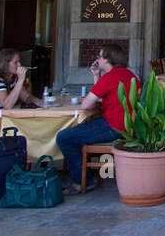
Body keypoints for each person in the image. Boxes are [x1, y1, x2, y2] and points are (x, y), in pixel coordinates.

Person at [55, 45, 140, 195]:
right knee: (78, 132)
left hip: (112, 127)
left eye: (100, 56)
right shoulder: (129, 75)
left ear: (107, 59)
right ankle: (86, 172)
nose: (97, 59)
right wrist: (96, 75)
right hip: (127, 127)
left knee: (64, 137)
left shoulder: (110, 76)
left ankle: (83, 180)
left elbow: (86, 105)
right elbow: (101, 95)